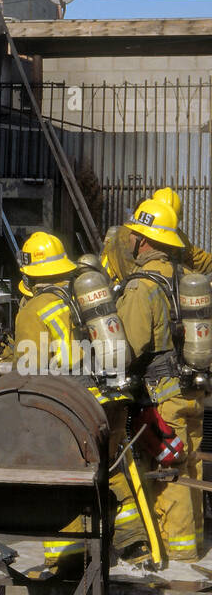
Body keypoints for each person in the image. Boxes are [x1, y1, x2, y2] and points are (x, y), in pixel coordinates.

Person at [14, 231, 146, 571]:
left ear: (29, 273)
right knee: (111, 467)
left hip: (71, 406)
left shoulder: (34, 310)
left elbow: (32, 369)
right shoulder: (86, 293)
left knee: (59, 475)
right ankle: (133, 542)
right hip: (110, 397)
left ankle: (68, 559)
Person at [116, 197, 206, 565]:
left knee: (166, 473)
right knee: (190, 465)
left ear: (145, 241)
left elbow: (128, 348)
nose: (132, 241)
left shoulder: (142, 288)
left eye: (136, 235)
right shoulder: (187, 279)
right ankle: (194, 542)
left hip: (161, 396)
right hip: (191, 390)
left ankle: (176, 551)